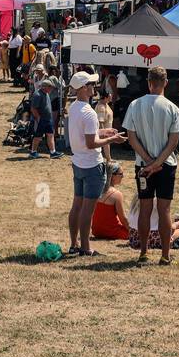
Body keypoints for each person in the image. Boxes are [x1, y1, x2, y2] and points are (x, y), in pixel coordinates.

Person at [123, 65, 179, 266]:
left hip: (143, 166)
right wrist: (157, 163)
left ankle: (143, 252)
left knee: (145, 208)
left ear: (149, 83)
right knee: (165, 209)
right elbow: (173, 142)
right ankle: (165, 255)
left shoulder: (134, 105)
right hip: (166, 165)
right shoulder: (173, 108)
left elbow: (131, 138)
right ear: (165, 83)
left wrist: (149, 163)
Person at [66, 71, 106, 257]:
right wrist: (111, 139)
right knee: (87, 209)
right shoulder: (89, 112)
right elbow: (91, 143)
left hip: (78, 161)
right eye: (91, 84)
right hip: (91, 164)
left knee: (77, 205)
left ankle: (74, 244)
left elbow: (86, 137)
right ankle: (85, 247)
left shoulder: (74, 107)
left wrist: (105, 134)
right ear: (83, 88)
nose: (94, 87)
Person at [91, 163, 130, 241]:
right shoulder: (116, 194)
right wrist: (133, 231)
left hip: (96, 231)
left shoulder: (96, 189)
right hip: (112, 232)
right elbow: (123, 219)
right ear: (112, 176)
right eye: (120, 174)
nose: (123, 176)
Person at [28, 77, 59, 159]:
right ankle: (33, 152)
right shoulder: (37, 95)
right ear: (45, 87)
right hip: (41, 120)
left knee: (50, 135)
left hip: (48, 119)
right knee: (38, 137)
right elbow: (33, 109)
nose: (52, 88)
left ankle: (53, 152)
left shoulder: (46, 94)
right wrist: (38, 118)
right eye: (50, 87)